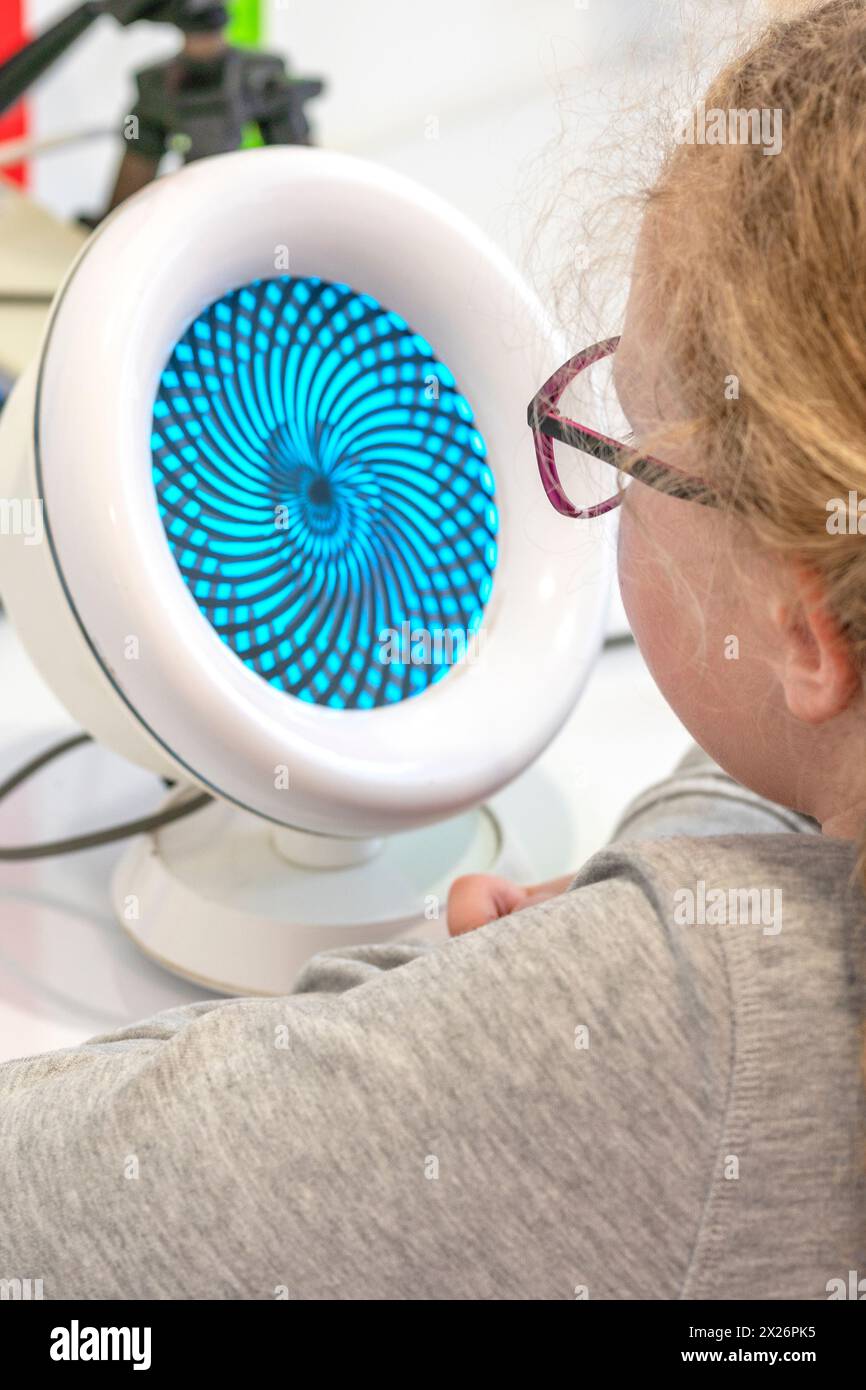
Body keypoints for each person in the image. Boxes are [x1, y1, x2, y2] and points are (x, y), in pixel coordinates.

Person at [2, 0, 866, 1300]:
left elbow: (67, 1180)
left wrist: (534, 1008)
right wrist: (651, 909)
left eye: (626, 450)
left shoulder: (704, 1041)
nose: (595, 490)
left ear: (804, 627)